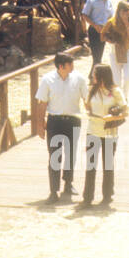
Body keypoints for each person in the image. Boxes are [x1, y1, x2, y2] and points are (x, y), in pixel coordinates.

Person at [35, 52, 87, 203]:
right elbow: (42, 103)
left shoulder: (79, 79)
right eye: (70, 64)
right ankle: (53, 191)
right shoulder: (47, 80)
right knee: (54, 156)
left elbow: (86, 99)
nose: (73, 66)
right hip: (55, 122)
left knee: (71, 155)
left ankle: (68, 183)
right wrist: (40, 124)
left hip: (73, 120)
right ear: (61, 66)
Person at [80, 63, 126, 208]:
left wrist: (114, 111)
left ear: (101, 76)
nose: (92, 76)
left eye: (94, 74)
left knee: (108, 164)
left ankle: (107, 195)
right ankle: (87, 197)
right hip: (93, 130)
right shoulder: (91, 90)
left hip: (109, 132)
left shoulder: (115, 91)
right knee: (90, 165)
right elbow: (87, 106)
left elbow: (124, 108)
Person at [101, 0, 129, 103]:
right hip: (114, 52)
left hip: (127, 50)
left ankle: (124, 97)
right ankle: (119, 98)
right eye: (126, 11)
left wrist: (126, 24)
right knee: (116, 80)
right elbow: (102, 35)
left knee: (128, 77)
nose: (128, 13)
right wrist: (111, 40)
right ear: (120, 11)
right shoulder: (111, 22)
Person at [80, 0, 114, 67]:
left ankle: (92, 76)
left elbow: (111, 16)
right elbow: (84, 15)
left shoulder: (109, 1)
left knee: (99, 55)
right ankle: (94, 77)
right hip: (94, 30)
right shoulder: (92, 0)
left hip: (104, 30)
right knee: (96, 57)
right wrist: (95, 25)